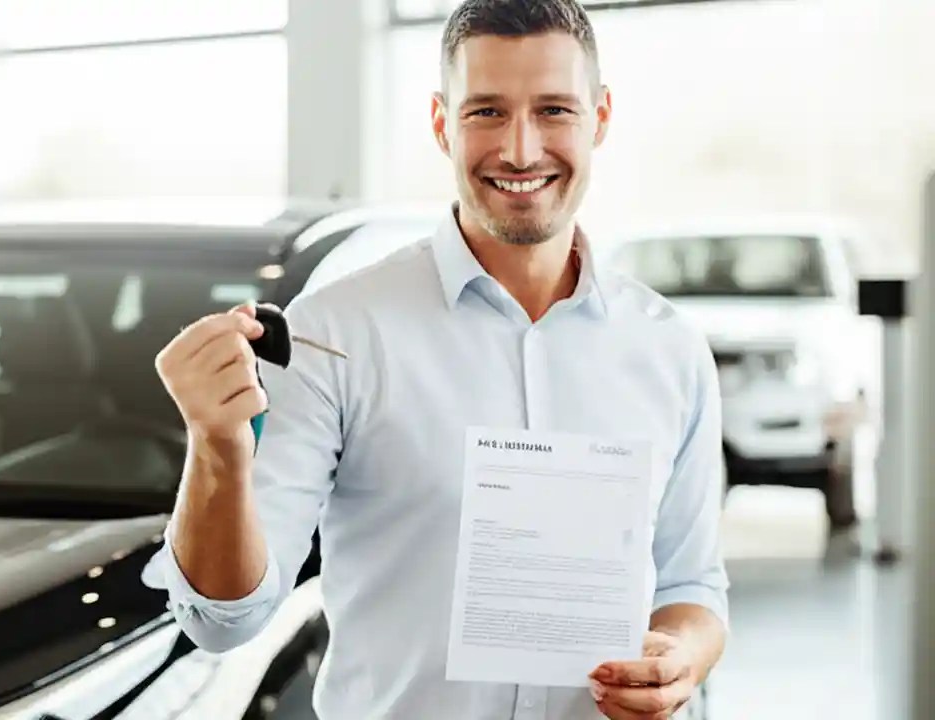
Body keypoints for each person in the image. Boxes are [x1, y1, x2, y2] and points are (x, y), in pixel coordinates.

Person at [143, 0, 729, 718]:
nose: (520, 149)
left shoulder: (667, 347)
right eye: (486, 111)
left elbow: (692, 585)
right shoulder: (338, 332)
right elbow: (222, 620)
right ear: (439, 122)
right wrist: (218, 450)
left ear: (600, 118)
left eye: (553, 110)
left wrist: (682, 657)